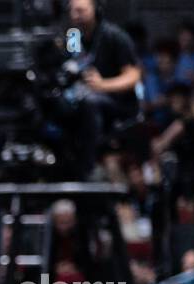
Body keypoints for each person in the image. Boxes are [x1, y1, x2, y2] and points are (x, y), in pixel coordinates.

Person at [64, 0, 142, 177]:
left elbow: (133, 75)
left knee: (90, 101)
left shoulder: (114, 36)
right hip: (82, 95)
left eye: (81, 10)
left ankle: (89, 165)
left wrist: (103, 85)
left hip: (118, 104)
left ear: (95, 9)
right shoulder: (73, 36)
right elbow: (73, 63)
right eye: (73, 11)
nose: (76, 15)